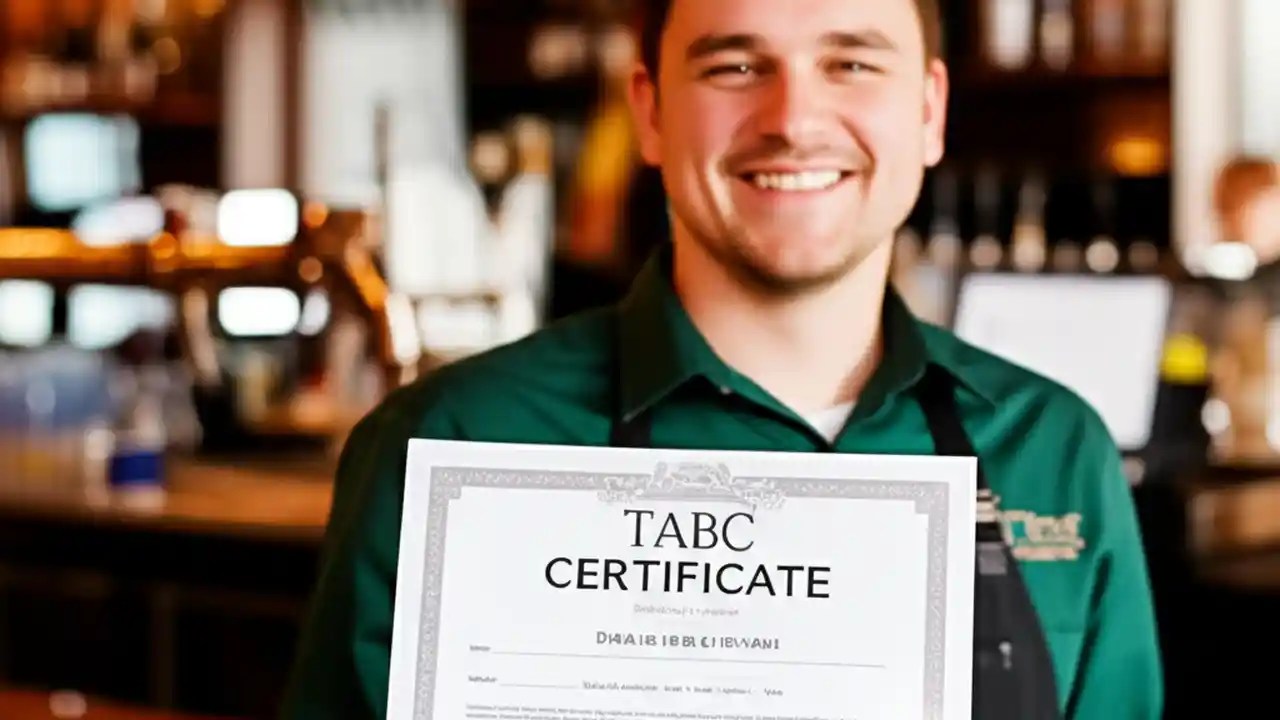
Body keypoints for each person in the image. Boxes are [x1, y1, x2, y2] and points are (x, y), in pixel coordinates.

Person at [280, 1, 1164, 718]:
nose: (793, 120)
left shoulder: (1054, 452)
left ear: (929, 111)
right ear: (651, 111)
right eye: (735, 66)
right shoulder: (446, 443)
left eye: (851, 62)